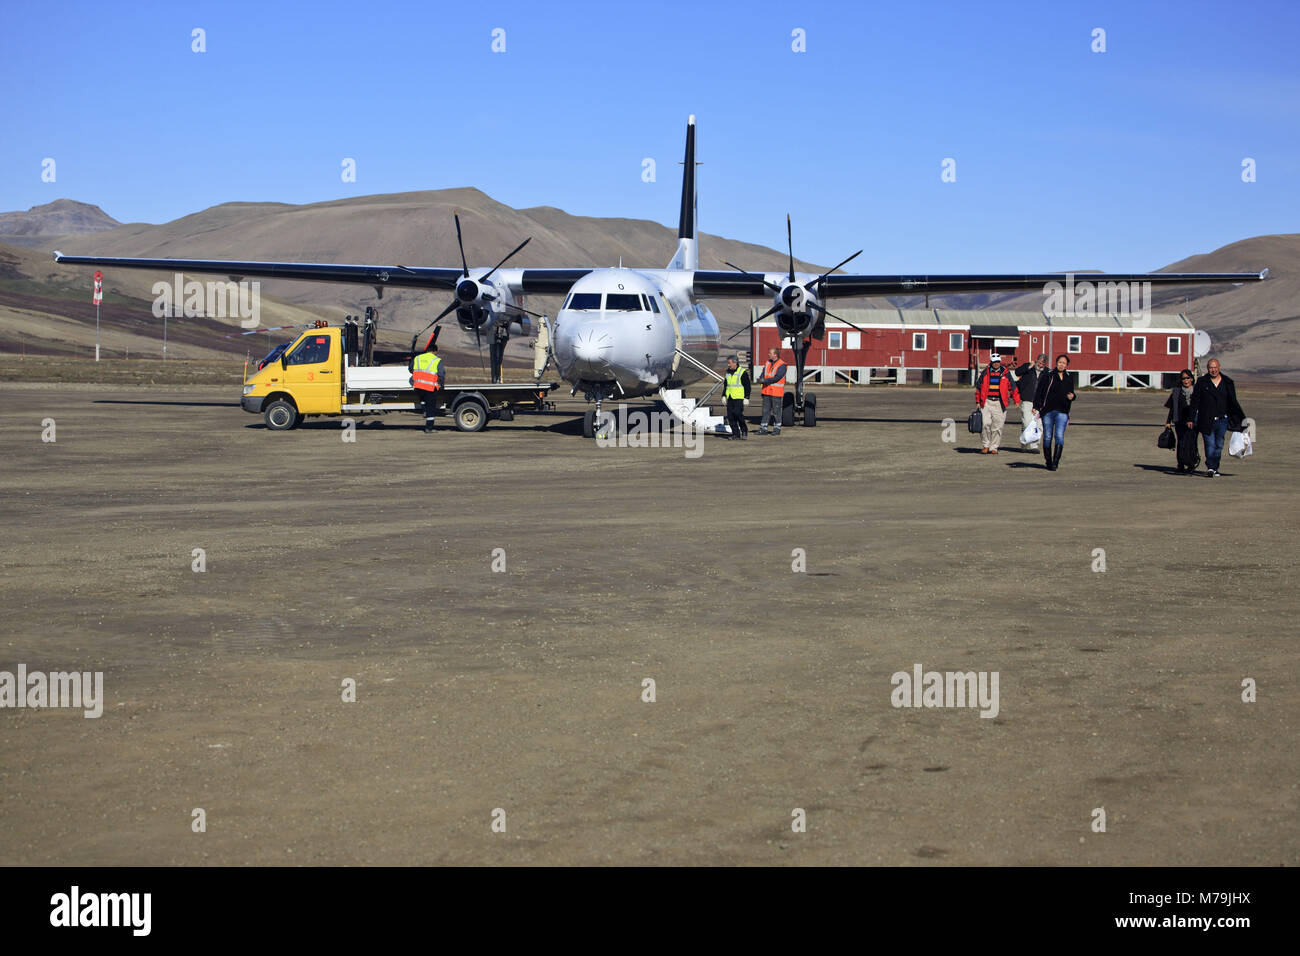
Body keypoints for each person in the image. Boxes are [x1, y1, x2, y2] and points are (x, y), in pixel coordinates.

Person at [1189, 358, 1245, 477]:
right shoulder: (1202, 382)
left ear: (1219, 367)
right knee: (1210, 444)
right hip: (1206, 419)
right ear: (1207, 369)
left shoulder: (1227, 382)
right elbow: (1195, 401)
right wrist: (1190, 418)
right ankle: (1210, 467)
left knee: (1219, 445)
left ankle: (1215, 467)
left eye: (1215, 367)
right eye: (1210, 367)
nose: (1213, 370)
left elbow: (1233, 402)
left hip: (1222, 420)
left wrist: (1241, 419)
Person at [1032, 354, 1076, 471]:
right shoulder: (1048, 375)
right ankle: (1048, 461)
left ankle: (1055, 462)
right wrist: (1036, 406)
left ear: (1067, 365)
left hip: (1063, 411)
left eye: (1064, 363)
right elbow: (1039, 392)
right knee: (1047, 436)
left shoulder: (1069, 377)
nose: (1061, 365)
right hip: (1048, 411)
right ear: (1056, 363)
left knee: (1059, 436)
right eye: (1059, 362)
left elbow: (1071, 393)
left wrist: (1073, 396)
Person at [974, 352, 1020, 454]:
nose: (996, 364)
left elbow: (1012, 387)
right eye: (994, 362)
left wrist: (1016, 400)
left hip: (1000, 403)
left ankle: (994, 447)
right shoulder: (985, 372)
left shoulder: (1006, 373)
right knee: (985, 424)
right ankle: (985, 445)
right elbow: (979, 387)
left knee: (997, 426)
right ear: (991, 362)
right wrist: (978, 401)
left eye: (998, 362)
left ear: (1000, 362)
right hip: (986, 402)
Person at [1164, 368, 1200, 474]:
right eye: (1183, 378)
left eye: (1188, 378)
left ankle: (1191, 463)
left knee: (1192, 442)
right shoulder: (1176, 392)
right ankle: (1180, 464)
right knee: (1181, 442)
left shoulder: (1197, 391)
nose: (1186, 380)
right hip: (1179, 421)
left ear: (1192, 379)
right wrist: (1168, 422)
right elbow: (1172, 408)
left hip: (1194, 421)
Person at [409, 335, 444, 433]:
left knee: (423, 400)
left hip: (418, 386)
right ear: (434, 351)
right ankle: (429, 428)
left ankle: (423, 407)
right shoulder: (436, 360)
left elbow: (411, 369)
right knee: (431, 408)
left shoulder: (417, 358)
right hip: (430, 387)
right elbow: (441, 374)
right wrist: (441, 384)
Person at [1013, 353, 1048, 450]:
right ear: (1036, 360)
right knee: (1027, 423)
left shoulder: (1047, 372)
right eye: (1039, 362)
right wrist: (1028, 367)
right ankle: (1024, 443)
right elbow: (1017, 372)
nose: (1040, 365)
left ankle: (1034, 446)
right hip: (1027, 400)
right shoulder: (1028, 367)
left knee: (1038, 425)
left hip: (1039, 402)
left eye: (1043, 364)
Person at [756, 347, 787, 435]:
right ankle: (763, 428)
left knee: (776, 411)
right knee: (765, 411)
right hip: (766, 391)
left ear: (775, 354)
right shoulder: (768, 363)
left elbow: (777, 378)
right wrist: (761, 379)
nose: (768, 354)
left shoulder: (782, 365)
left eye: (770, 353)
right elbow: (763, 373)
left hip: (776, 392)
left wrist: (764, 381)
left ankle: (777, 428)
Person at [722, 355, 751, 440]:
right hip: (730, 397)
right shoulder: (728, 372)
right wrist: (723, 396)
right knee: (730, 416)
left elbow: (747, 386)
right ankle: (736, 434)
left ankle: (744, 430)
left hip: (739, 397)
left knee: (737, 413)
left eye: (729, 363)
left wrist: (747, 397)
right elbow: (726, 385)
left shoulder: (742, 372)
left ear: (735, 363)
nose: (728, 365)